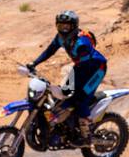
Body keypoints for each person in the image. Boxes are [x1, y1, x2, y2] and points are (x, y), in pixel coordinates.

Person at [27, 10, 107, 140]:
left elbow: (85, 56)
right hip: (80, 67)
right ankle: (68, 124)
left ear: (74, 26)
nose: (63, 29)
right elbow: (49, 51)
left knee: (80, 98)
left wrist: (73, 82)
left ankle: (87, 134)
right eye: (60, 26)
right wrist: (34, 63)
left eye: (67, 26)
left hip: (96, 69)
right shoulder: (60, 38)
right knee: (63, 96)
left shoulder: (82, 41)